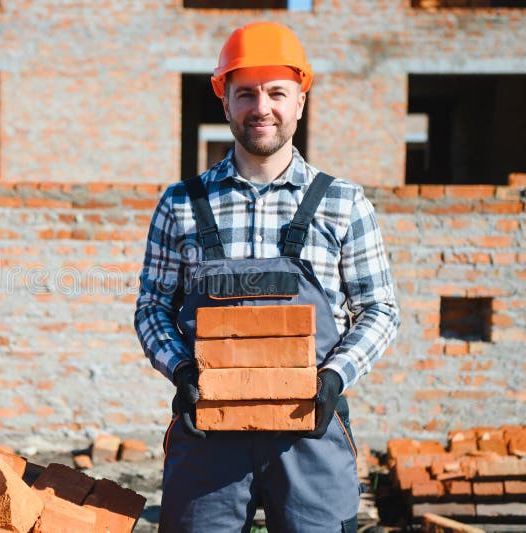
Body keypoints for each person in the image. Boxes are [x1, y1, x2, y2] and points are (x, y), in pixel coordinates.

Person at [134, 21, 400, 533]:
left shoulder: (343, 202)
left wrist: (333, 377)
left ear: (300, 100)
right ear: (225, 102)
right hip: (208, 435)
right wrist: (182, 371)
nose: (262, 107)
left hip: (309, 432)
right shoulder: (181, 204)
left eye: (277, 92)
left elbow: (379, 310)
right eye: (246, 94)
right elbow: (152, 309)